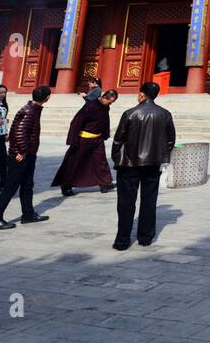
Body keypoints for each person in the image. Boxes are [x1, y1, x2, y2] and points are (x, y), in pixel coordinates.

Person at [111, 82, 175, 250]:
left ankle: (122, 240)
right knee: (149, 200)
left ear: (142, 95)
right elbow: (170, 140)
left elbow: (118, 139)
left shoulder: (130, 113)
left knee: (126, 203)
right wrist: (160, 156)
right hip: (153, 164)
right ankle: (145, 237)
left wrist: (116, 159)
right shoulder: (165, 114)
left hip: (129, 164)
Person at [0, 85, 52, 230]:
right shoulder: (29, 111)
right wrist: (21, 152)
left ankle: (28, 214)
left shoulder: (33, 109)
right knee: (10, 187)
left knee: (28, 184)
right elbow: (19, 132)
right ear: (47, 98)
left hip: (29, 153)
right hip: (21, 155)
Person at [53, 89, 119, 195]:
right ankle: (66, 186)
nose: (110, 104)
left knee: (100, 161)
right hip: (84, 139)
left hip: (97, 139)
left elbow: (105, 120)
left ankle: (105, 183)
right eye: (110, 102)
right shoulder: (91, 106)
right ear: (104, 97)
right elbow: (76, 121)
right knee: (74, 162)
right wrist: (73, 140)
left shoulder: (105, 106)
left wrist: (105, 134)